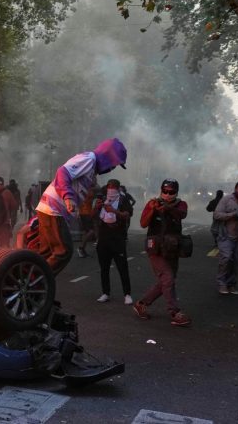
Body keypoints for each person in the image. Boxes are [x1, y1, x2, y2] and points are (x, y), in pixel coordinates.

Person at [35, 137, 127, 275]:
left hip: (52, 209)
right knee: (63, 251)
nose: (112, 168)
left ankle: (35, 289)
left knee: (46, 252)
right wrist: (68, 197)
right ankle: (39, 283)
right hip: (54, 209)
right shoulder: (89, 159)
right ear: (107, 157)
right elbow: (62, 172)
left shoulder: (91, 169)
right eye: (113, 164)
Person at [133, 179, 191, 327]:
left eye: (171, 192)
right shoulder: (153, 203)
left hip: (172, 247)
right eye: (165, 191)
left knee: (166, 281)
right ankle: (174, 312)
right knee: (168, 278)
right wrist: (153, 209)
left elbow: (181, 214)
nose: (167, 194)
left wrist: (167, 208)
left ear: (176, 192)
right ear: (161, 190)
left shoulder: (180, 204)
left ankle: (141, 304)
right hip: (156, 248)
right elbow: (143, 223)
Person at [94, 179, 134, 304]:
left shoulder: (123, 199)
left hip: (118, 239)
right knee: (104, 268)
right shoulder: (103, 199)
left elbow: (126, 215)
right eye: (108, 187)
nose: (110, 190)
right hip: (104, 238)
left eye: (113, 187)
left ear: (117, 188)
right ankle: (106, 292)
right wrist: (97, 207)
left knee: (122, 267)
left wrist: (113, 211)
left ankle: (127, 294)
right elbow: (93, 216)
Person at [213, 181, 238, 295]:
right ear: (235, 189)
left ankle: (231, 284)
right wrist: (232, 214)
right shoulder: (227, 199)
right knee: (226, 258)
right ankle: (222, 283)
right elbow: (216, 214)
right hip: (225, 235)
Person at [76, 186, 98, 258]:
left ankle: (82, 249)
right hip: (85, 213)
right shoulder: (87, 190)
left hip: (86, 213)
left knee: (88, 231)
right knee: (91, 231)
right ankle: (81, 248)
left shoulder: (87, 190)